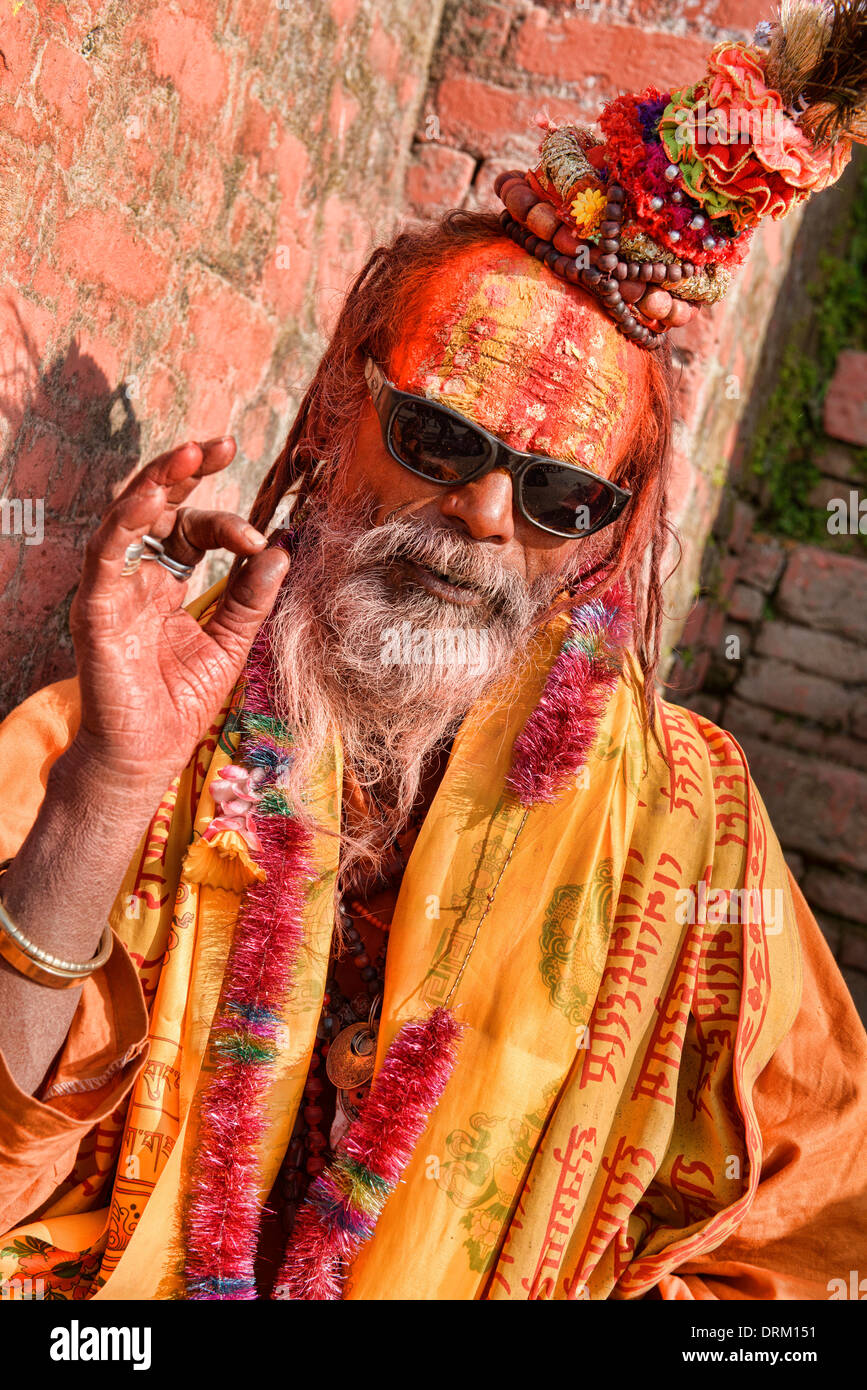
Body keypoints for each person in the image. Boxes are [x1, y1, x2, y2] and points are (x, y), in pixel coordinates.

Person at [0, 8, 865, 1301]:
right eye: (439, 439)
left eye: (560, 493)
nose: (481, 514)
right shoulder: (124, 729)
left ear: (604, 537)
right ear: (345, 406)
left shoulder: (692, 833)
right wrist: (107, 799)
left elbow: (813, 1247)